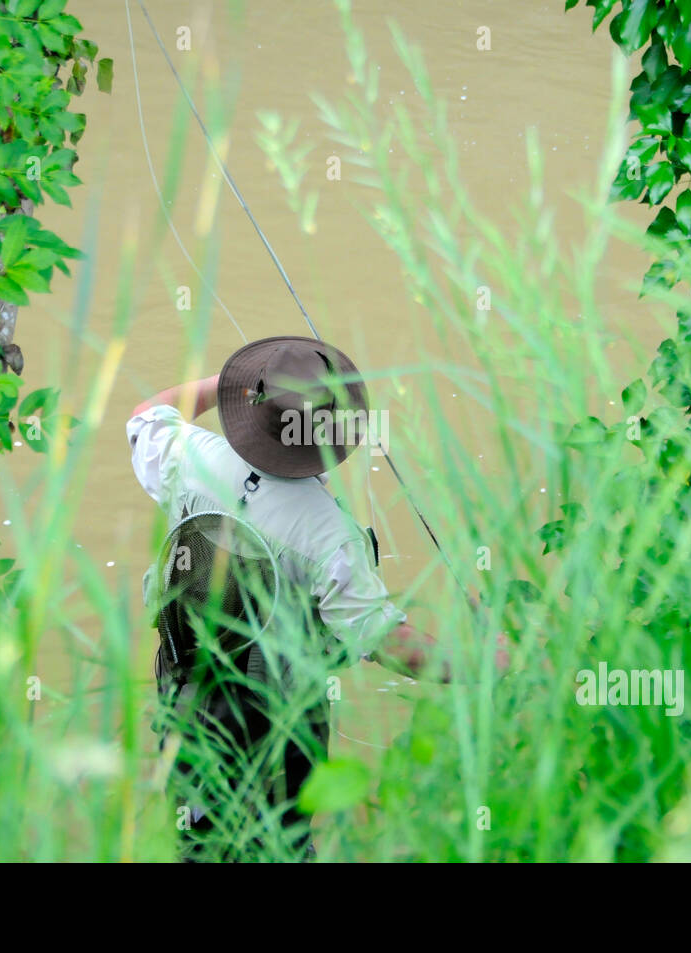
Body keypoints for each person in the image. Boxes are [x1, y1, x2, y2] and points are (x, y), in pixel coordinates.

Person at [127, 335, 507, 860]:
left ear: (251, 409)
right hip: (276, 721)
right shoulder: (329, 534)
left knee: (196, 827)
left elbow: (147, 414)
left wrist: (226, 385)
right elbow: (388, 641)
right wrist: (484, 664)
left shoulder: (192, 457)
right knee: (280, 842)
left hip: (185, 688)